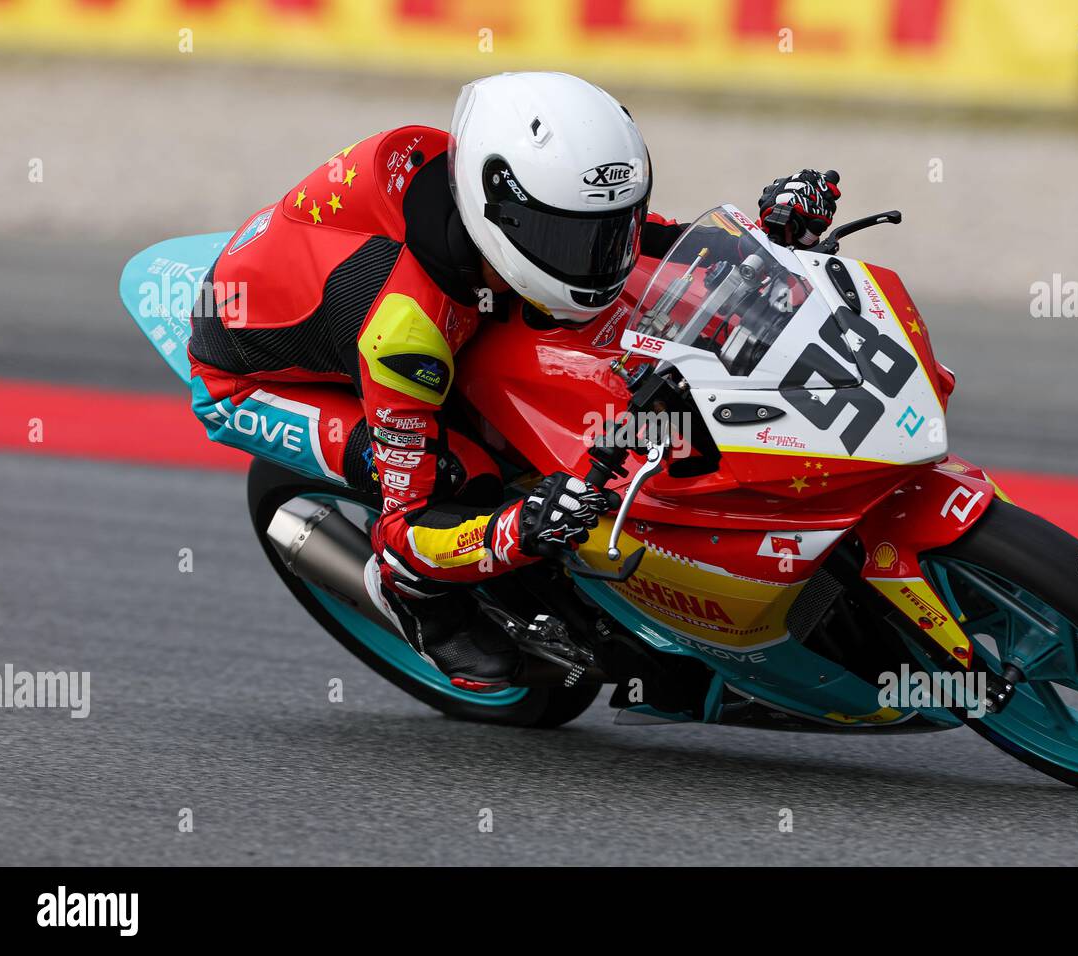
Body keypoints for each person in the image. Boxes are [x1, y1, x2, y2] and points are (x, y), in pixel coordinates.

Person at [187, 71, 840, 690]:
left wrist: (769, 241)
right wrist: (521, 528)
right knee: (461, 477)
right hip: (251, 380)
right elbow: (406, 522)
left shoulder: (517, 197)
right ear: (498, 210)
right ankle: (415, 600)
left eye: (605, 230)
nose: (597, 259)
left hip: (368, 284)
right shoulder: (409, 333)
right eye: (570, 239)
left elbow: (655, 243)